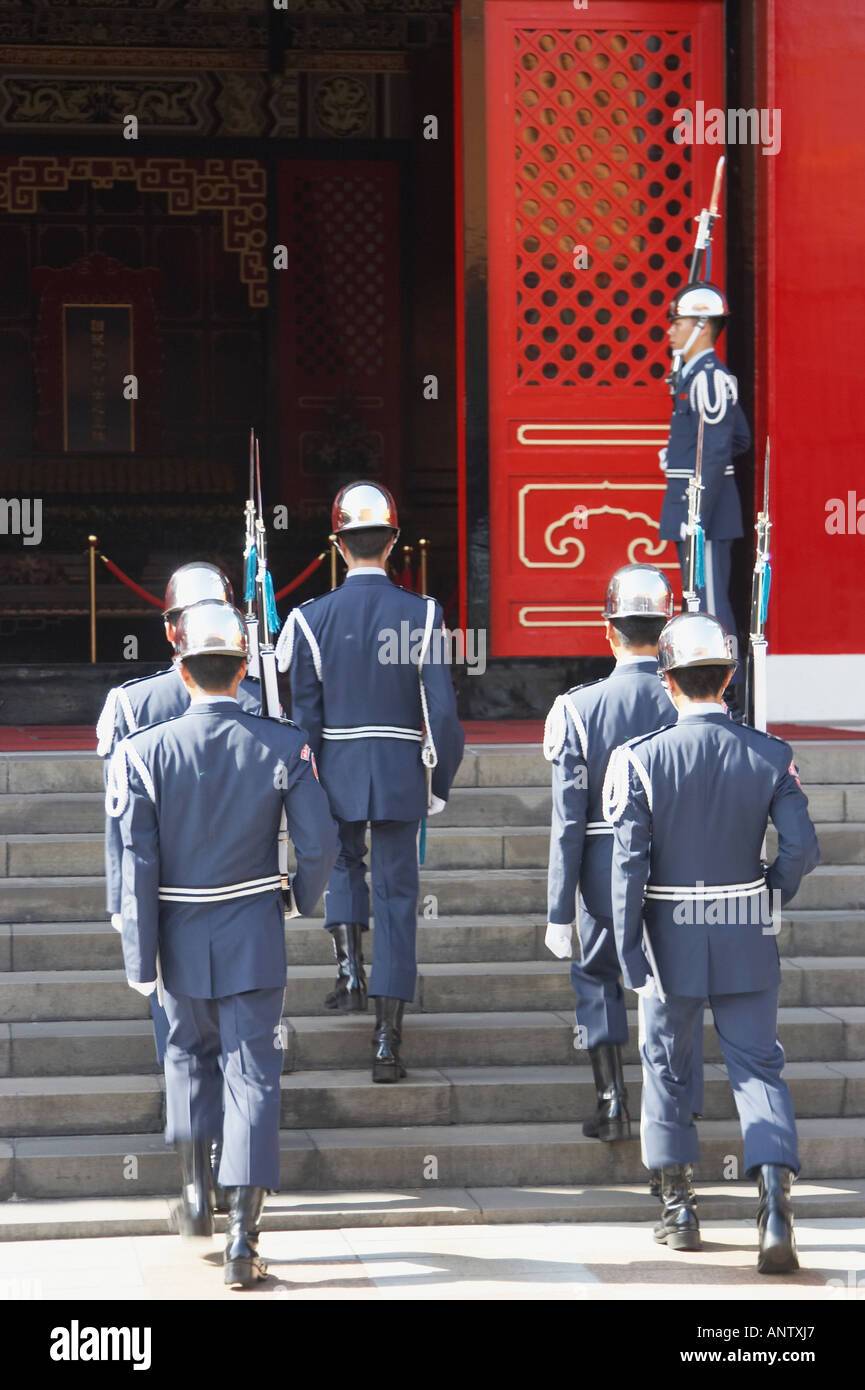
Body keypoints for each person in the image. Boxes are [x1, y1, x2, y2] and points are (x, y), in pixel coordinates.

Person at [108, 601, 338, 1287]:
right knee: (253, 1077)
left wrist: (139, 957)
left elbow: (136, 865)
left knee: (184, 1056)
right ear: (244, 669)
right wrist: (298, 896)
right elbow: (319, 843)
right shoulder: (283, 741)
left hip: (177, 932)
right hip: (252, 928)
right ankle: (244, 1234)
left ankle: (193, 1188)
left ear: (181, 671)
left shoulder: (141, 751)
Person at [606, 612, 819, 1270]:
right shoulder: (770, 754)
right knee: (757, 1070)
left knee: (668, 1070)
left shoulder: (639, 759)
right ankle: (774, 1206)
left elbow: (627, 866)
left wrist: (626, 941)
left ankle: (678, 1209)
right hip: (744, 929)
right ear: (728, 676)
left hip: (669, 934)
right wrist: (768, 894)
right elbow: (802, 849)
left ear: (667, 683)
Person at [277, 481, 464, 1083]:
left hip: (335, 770)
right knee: (398, 896)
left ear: (337, 544)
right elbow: (443, 714)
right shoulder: (424, 612)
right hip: (402, 771)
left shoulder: (308, 620)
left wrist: (301, 787)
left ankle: (349, 971)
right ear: (393, 542)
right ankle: (387, 1037)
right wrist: (440, 781)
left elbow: (302, 721)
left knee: (341, 865)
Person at [544, 564, 703, 1173]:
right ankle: (680, 1106)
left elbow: (566, 822)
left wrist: (560, 910)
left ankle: (611, 1101)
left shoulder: (578, 708)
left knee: (599, 981)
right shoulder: (688, 702)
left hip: (605, 876)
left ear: (608, 632)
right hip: (679, 868)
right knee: (677, 987)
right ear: (666, 632)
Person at [96, 563, 262, 1065]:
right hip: (244, 886)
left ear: (171, 629)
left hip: (162, 887)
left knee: (177, 1028)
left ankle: (192, 1120)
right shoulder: (257, 700)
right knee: (242, 1026)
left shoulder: (130, 703)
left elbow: (119, 818)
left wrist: (122, 899)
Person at [660, 282, 751, 693]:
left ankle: (726, 691)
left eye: (677, 322)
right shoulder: (695, 375)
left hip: (704, 511)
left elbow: (716, 451)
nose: (670, 331)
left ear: (701, 326)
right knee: (697, 598)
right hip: (696, 503)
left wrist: (697, 513)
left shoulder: (710, 378)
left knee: (710, 606)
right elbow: (738, 439)